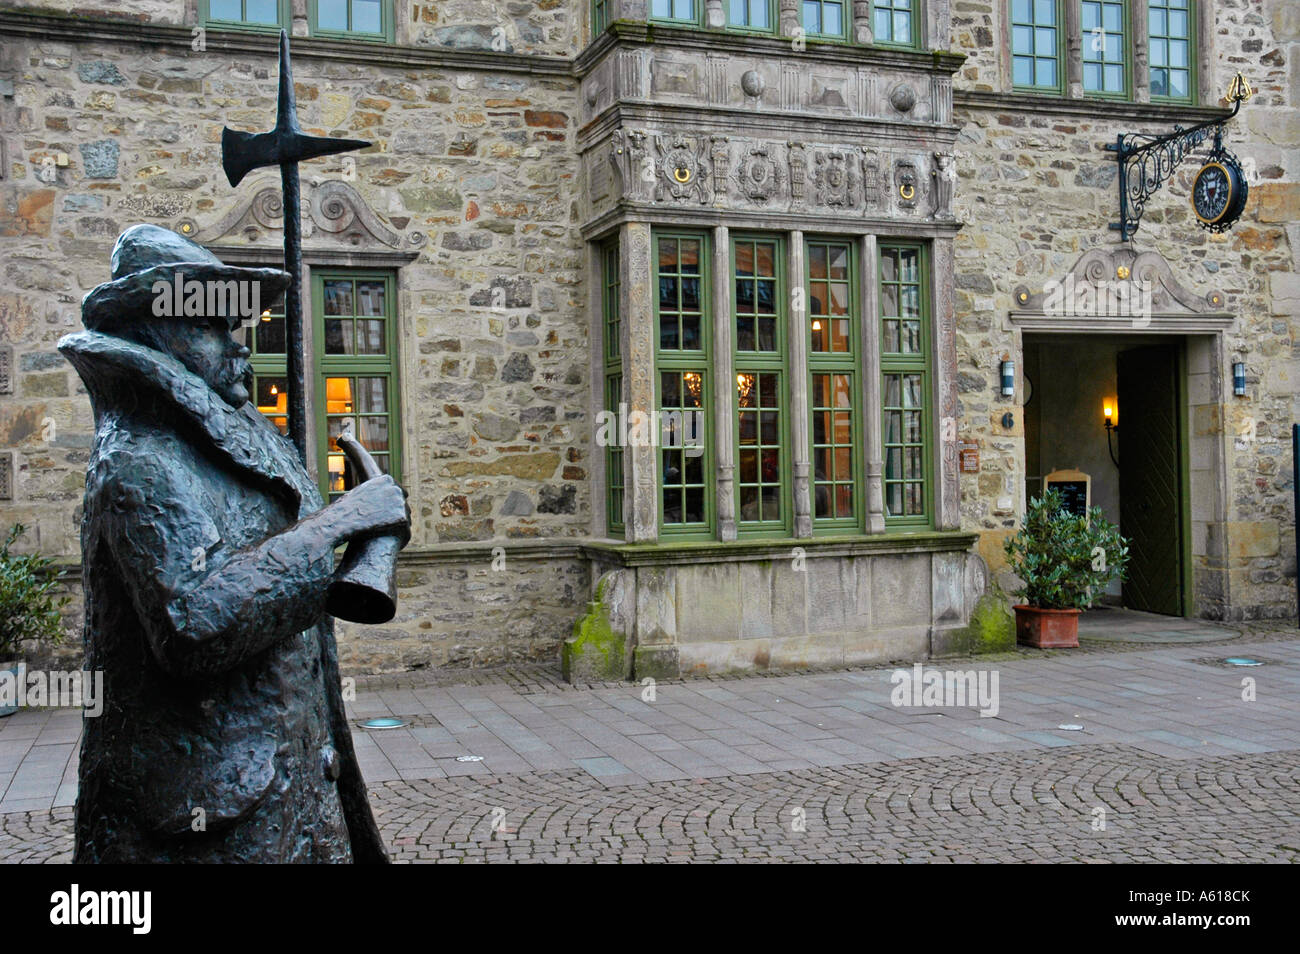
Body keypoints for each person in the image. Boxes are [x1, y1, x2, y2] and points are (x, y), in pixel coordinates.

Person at [59, 225, 409, 863]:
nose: (238, 349)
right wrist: (338, 524)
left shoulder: (228, 444)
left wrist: (358, 536)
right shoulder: (139, 461)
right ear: (155, 331)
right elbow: (192, 627)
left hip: (290, 791)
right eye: (212, 328)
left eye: (234, 328)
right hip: (209, 821)